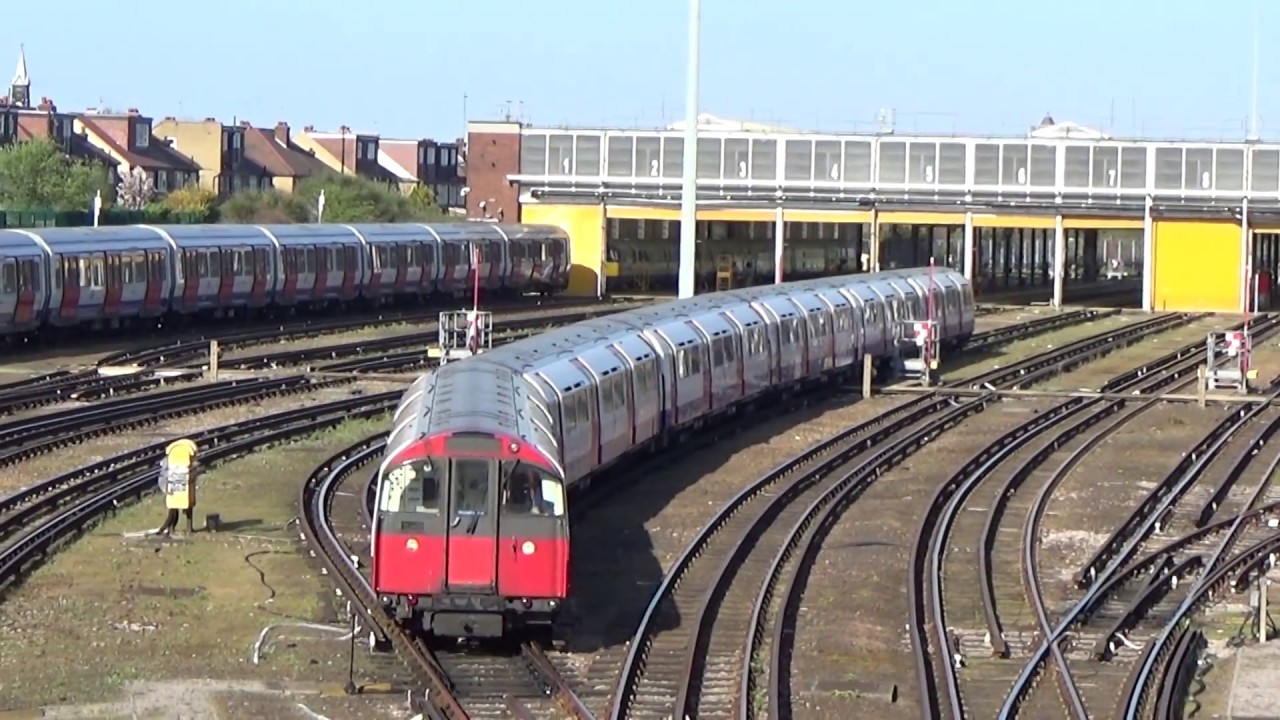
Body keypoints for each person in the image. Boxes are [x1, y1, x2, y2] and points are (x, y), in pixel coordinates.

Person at [156, 439, 198, 536]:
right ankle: (169, 528)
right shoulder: (171, 467)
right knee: (174, 510)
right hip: (175, 487)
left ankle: (169, 528)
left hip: (175, 486)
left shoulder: (169, 463)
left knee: (175, 509)